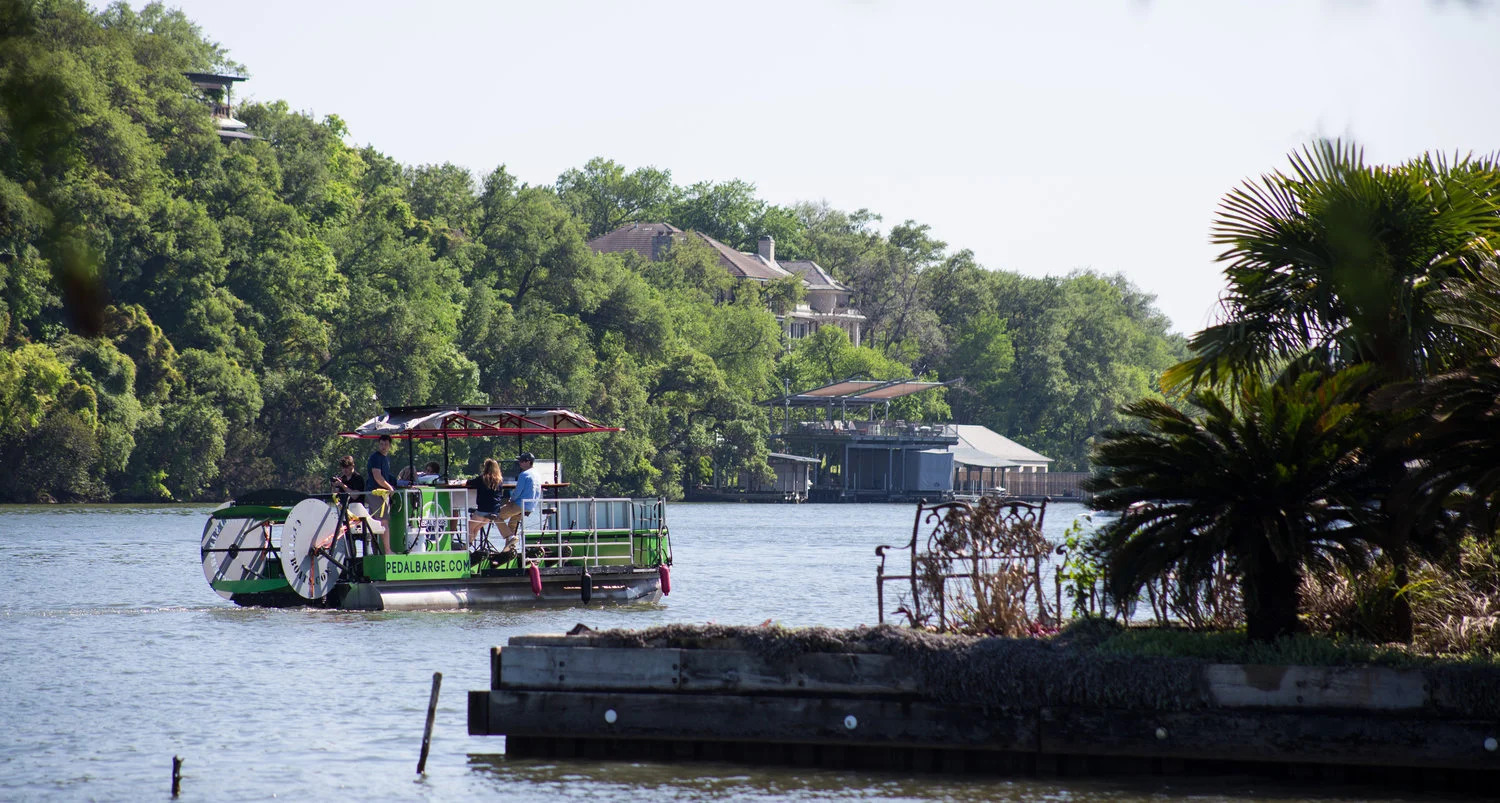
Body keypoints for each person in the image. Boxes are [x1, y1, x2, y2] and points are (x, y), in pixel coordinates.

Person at [496, 452, 543, 547]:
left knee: (496, 515)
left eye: (522, 461)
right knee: (512, 525)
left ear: (528, 462)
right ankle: (510, 548)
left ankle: (510, 537)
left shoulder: (524, 474)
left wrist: (511, 500)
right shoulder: (537, 475)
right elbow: (538, 492)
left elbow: (517, 491)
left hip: (519, 504)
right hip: (530, 506)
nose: (519, 463)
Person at [366, 434, 396, 553]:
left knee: (376, 524)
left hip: (380, 494)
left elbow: (386, 476)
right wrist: (390, 488)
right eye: (382, 444)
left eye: (386, 445)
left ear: (389, 446)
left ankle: (375, 551)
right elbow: (377, 476)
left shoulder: (385, 458)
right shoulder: (376, 457)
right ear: (379, 444)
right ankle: (388, 551)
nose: (384, 447)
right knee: (383, 523)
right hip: (377, 493)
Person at [466, 458, 506, 545]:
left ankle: (467, 546)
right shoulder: (499, 480)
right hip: (494, 510)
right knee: (476, 528)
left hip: (483, 509)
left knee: (470, 526)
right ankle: (470, 544)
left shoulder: (482, 478)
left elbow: (469, 482)